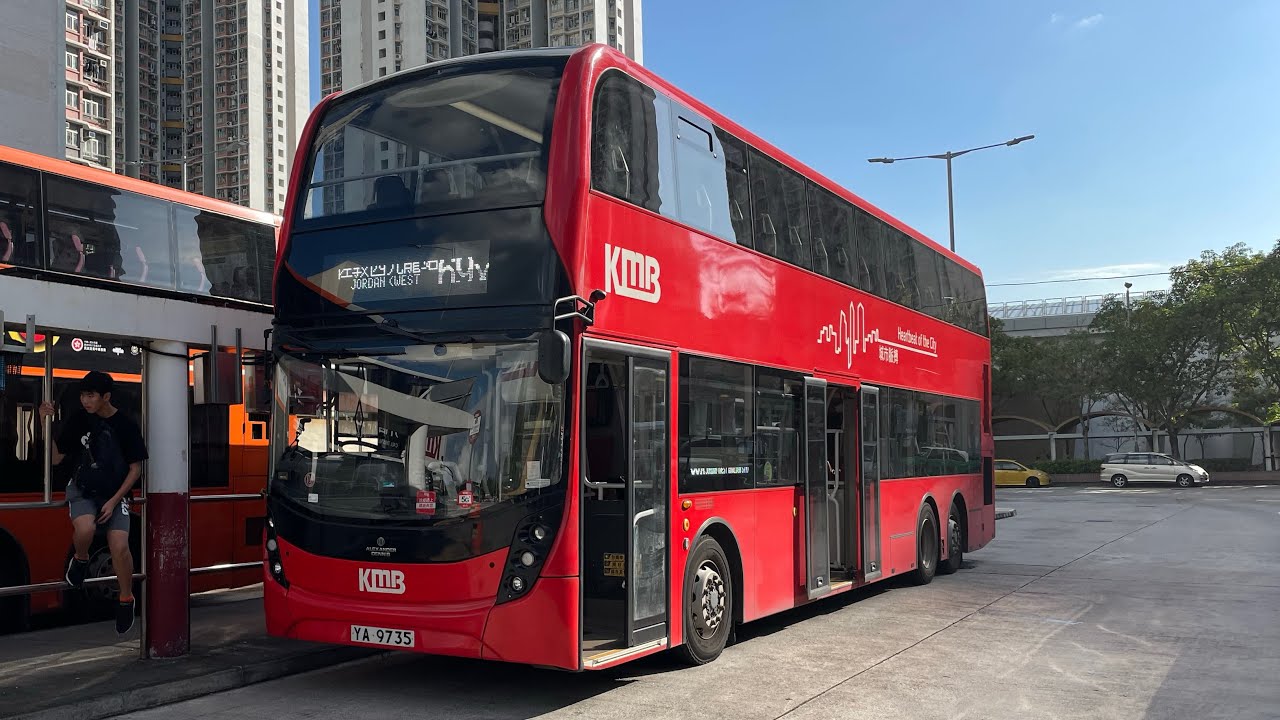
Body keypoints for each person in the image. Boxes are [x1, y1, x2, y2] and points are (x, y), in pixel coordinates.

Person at [39, 371, 148, 635]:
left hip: (115, 493)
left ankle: (125, 599)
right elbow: (55, 459)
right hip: (82, 489)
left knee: (120, 546)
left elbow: (136, 469)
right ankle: (80, 558)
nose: (85, 401)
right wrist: (45, 423)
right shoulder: (79, 419)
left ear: (106, 397)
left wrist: (113, 501)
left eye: (91, 396)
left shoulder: (126, 425)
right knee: (85, 529)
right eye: (83, 395)